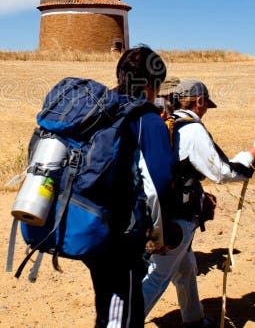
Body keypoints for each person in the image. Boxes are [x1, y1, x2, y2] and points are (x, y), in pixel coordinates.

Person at [142, 79, 255, 328]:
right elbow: (221, 172)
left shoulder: (166, 123)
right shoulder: (193, 130)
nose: (206, 109)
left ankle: (194, 318)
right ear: (199, 101)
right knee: (156, 278)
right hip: (176, 218)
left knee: (186, 268)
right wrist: (248, 158)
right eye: (206, 104)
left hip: (159, 211)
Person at [83, 46, 177, 328]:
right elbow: (158, 184)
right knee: (119, 315)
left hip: (89, 218)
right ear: (150, 84)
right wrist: (160, 237)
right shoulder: (147, 120)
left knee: (117, 305)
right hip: (121, 234)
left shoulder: (99, 111)